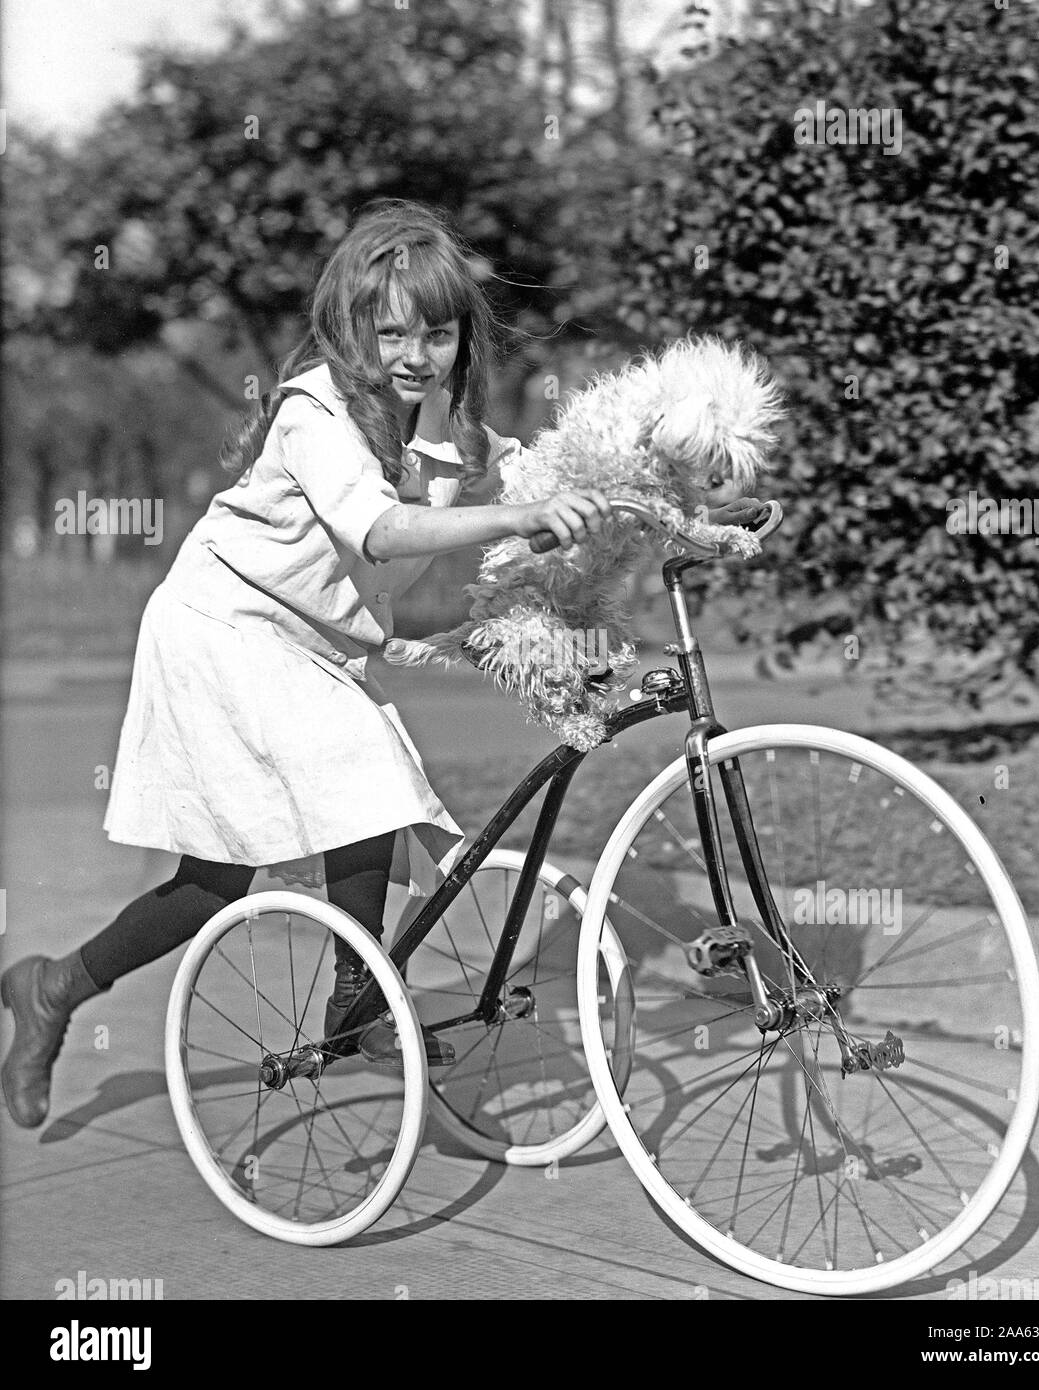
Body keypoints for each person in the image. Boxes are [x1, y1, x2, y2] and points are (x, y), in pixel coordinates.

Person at [0, 198, 615, 1129]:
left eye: (437, 335)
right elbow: (381, 529)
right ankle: (69, 991)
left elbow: (529, 467)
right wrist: (517, 519)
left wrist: (649, 493)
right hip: (224, 628)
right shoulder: (316, 412)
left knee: (315, 818)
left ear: (459, 338)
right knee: (239, 860)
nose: (415, 355)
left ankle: (87, 987)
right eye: (392, 331)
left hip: (308, 646)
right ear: (351, 327)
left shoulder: (440, 421)